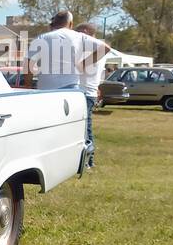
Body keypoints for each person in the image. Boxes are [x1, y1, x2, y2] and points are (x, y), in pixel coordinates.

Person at [28, 10, 111, 169]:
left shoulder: (44, 38)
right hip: (76, 92)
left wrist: (27, 87)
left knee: (71, 129)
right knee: (80, 129)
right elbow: (104, 48)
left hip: (62, 92)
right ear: (71, 24)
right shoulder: (79, 40)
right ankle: (81, 162)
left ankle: (82, 161)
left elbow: (28, 66)